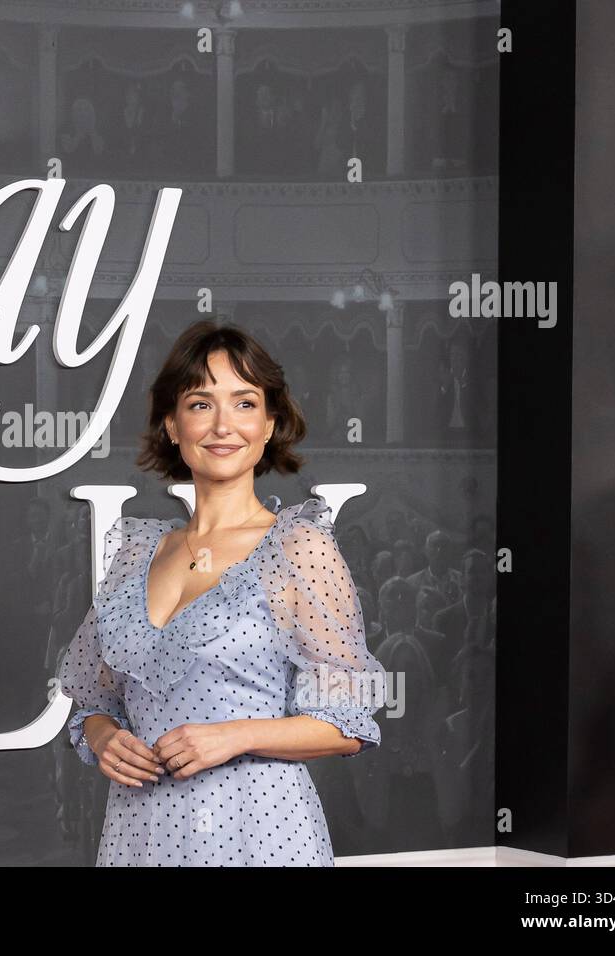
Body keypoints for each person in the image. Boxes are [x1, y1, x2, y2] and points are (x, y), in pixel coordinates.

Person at [56, 319, 386, 866]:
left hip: (259, 833)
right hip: (140, 835)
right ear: (171, 424)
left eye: (245, 402)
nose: (223, 425)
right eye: (201, 404)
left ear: (270, 423)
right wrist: (101, 737)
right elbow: (94, 701)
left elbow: (347, 723)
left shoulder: (298, 549)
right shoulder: (138, 554)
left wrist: (231, 735)